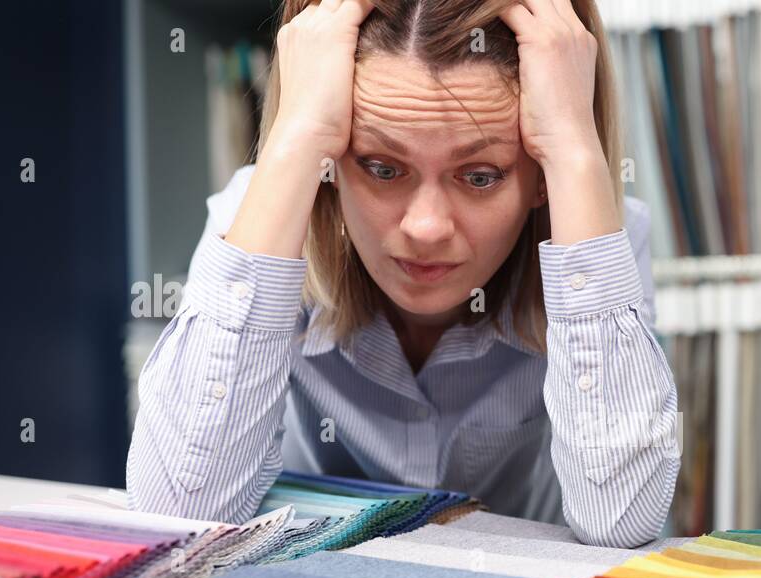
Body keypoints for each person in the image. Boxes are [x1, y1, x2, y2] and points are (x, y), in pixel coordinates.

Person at [127, 0, 680, 548]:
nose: (426, 227)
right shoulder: (258, 219)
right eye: (382, 167)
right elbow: (180, 510)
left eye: (481, 175)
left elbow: (620, 519)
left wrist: (575, 150)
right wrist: (293, 140)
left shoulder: (598, 236)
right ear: (332, 163)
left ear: (541, 178)